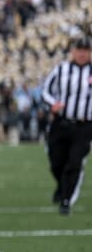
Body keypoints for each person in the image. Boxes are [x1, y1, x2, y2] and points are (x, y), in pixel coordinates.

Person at [39, 36, 92, 216]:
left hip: (85, 126)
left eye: (86, 50)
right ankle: (62, 186)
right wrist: (52, 104)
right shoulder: (61, 69)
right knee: (56, 162)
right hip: (61, 122)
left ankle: (66, 200)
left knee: (74, 162)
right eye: (79, 50)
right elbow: (45, 90)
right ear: (73, 51)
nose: (82, 54)